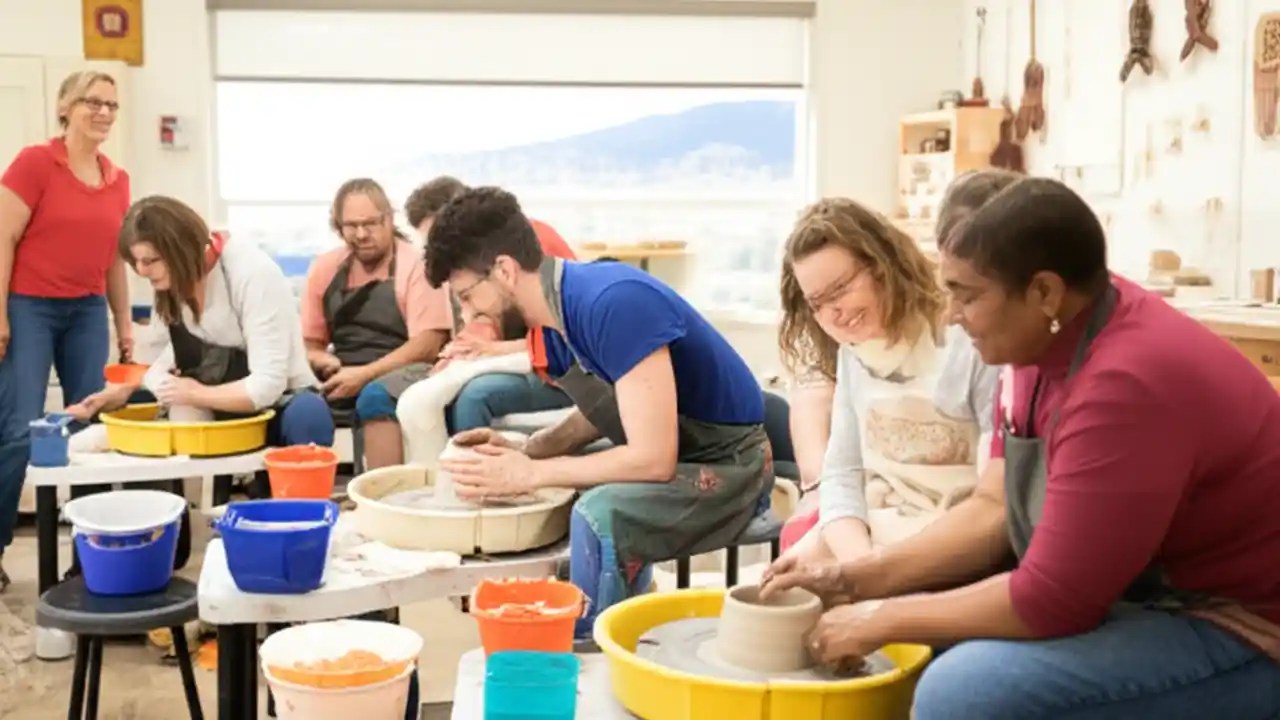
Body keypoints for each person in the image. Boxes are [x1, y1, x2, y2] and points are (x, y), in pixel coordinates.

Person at [761, 177, 1280, 719]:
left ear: (1043, 292)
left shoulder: (1125, 382)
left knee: (958, 691)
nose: (950, 315)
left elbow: (1054, 599)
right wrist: (851, 579)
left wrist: (881, 617)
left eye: (968, 295)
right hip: (1143, 595)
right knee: (916, 640)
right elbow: (993, 506)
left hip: (1240, 624)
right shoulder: (1041, 342)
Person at [426, 187, 771, 636]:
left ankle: (595, 660)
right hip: (680, 449)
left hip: (731, 464)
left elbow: (652, 458)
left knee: (597, 512)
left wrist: (530, 475)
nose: (470, 315)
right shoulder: (553, 319)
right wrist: (528, 451)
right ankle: (622, 627)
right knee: (559, 488)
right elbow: (612, 408)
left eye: (468, 297)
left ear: (505, 271)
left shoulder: (613, 303)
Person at [774, 197, 998, 563]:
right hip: (879, 534)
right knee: (780, 587)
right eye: (818, 303)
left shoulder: (970, 343)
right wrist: (860, 565)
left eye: (841, 289)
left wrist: (883, 576)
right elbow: (843, 476)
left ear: (882, 266)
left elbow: (993, 505)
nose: (834, 312)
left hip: (958, 542)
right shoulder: (853, 356)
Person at [73, 197, 334, 468]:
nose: (141, 271)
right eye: (135, 262)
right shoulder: (171, 279)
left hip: (277, 401)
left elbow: (267, 385)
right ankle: (173, 505)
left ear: (183, 251)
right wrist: (122, 391)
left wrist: (194, 394)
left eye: (150, 261)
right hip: (206, 393)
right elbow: (163, 358)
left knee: (308, 415)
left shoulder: (252, 274)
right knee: (121, 411)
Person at [0, 71, 132, 591]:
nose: (103, 112)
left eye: (112, 105)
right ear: (64, 106)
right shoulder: (36, 163)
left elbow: (116, 261)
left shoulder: (117, 179)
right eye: (92, 102)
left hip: (86, 310)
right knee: (17, 430)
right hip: (29, 306)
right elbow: (2, 238)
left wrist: (124, 326)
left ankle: (88, 551)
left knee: (87, 431)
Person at [401, 176, 574, 433]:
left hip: (563, 371)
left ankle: (475, 469)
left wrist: (493, 351)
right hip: (537, 355)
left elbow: (562, 340)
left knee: (474, 395)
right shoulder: (474, 268)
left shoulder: (529, 249)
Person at [300, 178, 451, 468]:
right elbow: (310, 343)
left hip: (409, 368)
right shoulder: (325, 268)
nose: (361, 234)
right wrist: (321, 361)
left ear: (389, 219)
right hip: (343, 372)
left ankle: (382, 495)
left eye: (370, 224)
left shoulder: (417, 265)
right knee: (301, 406)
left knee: (374, 397)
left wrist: (364, 375)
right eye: (350, 226)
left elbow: (427, 344)